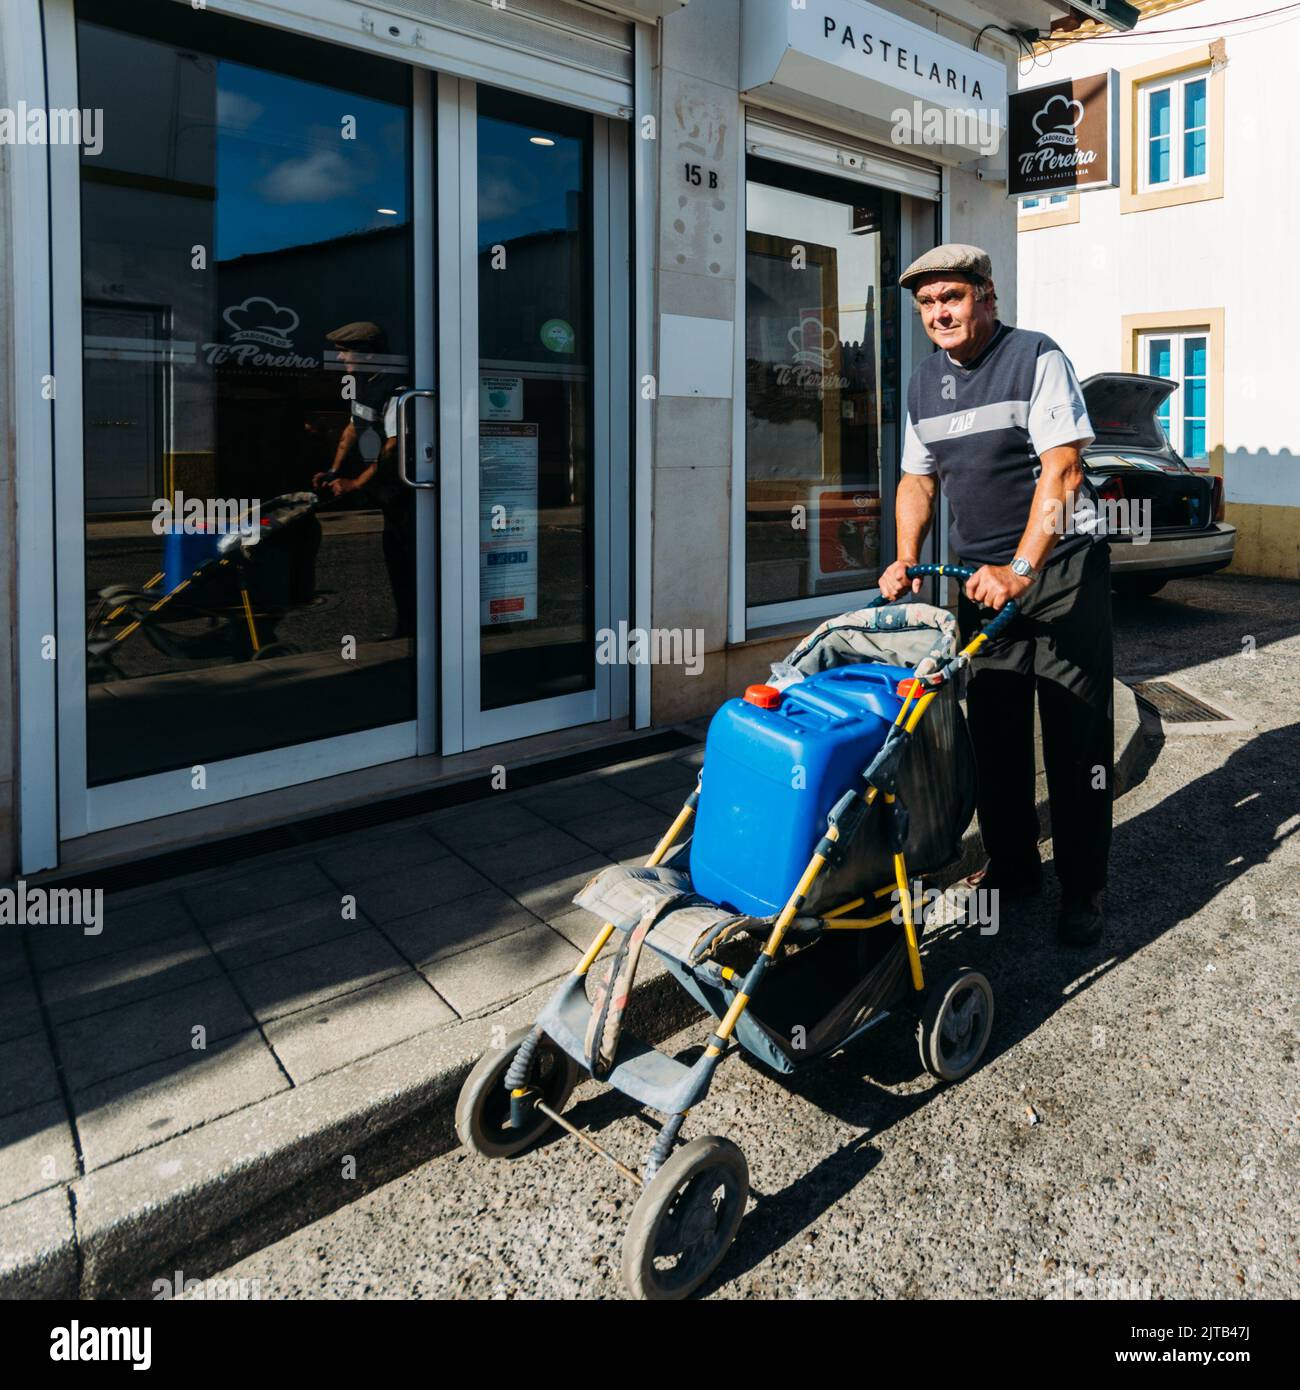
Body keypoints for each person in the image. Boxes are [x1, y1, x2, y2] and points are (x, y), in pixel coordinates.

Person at [878, 244, 1112, 946]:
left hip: (1063, 567)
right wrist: (906, 558)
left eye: (951, 296)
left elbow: (1064, 470)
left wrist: (1022, 567)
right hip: (981, 578)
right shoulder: (922, 385)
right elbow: (918, 481)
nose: (938, 313)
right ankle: (1014, 868)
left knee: (1075, 734)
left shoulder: (1036, 357)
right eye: (926, 303)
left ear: (987, 295)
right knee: (994, 731)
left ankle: (1083, 889)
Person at [314, 321, 414, 639]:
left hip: (409, 491)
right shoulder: (362, 381)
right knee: (397, 557)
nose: (340, 359)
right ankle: (408, 627)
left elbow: (395, 446)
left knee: (412, 558)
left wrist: (356, 483)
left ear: (368, 353)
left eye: (344, 352)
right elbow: (353, 428)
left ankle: (426, 628)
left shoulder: (396, 386)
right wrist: (333, 470)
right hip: (389, 493)